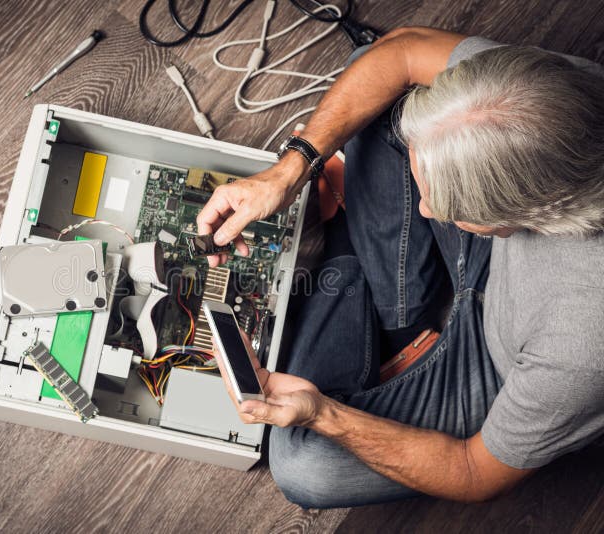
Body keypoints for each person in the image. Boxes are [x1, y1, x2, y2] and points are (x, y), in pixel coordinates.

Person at [198, 27, 604, 507]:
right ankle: (400, 310)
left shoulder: (580, 349)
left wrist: (321, 415)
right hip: (494, 250)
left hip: (499, 364)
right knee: (379, 89)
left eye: (446, 206)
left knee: (304, 464)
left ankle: (353, 262)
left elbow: (473, 472)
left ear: (534, 216)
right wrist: (292, 168)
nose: (426, 209)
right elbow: (402, 51)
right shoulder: (544, 91)